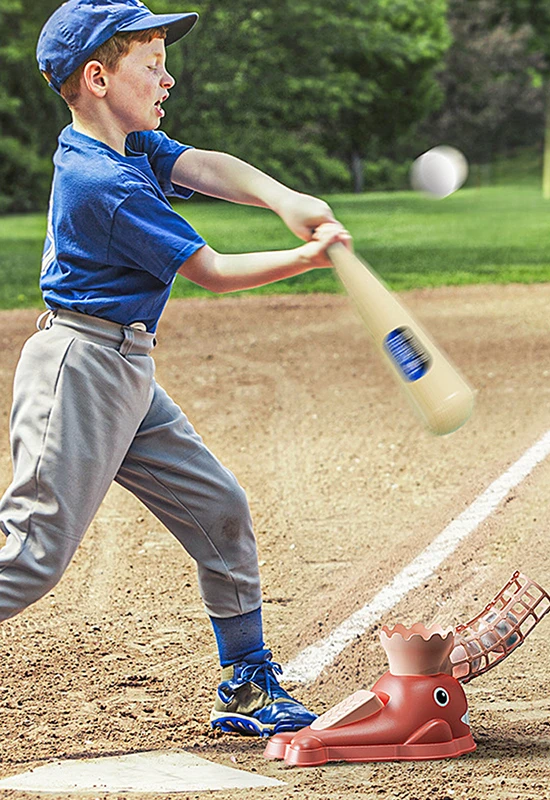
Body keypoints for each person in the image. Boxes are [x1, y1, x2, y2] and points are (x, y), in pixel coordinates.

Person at [0, 0, 351, 738]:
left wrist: (284, 200)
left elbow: (204, 164)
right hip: (82, 371)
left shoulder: (130, 147)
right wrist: (308, 258)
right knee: (30, 559)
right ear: (97, 78)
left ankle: (247, 685)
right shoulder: (106, 182)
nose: (168, 78)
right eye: (150, 63)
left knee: (220, 508)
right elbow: (214, 270)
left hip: (124, 369)